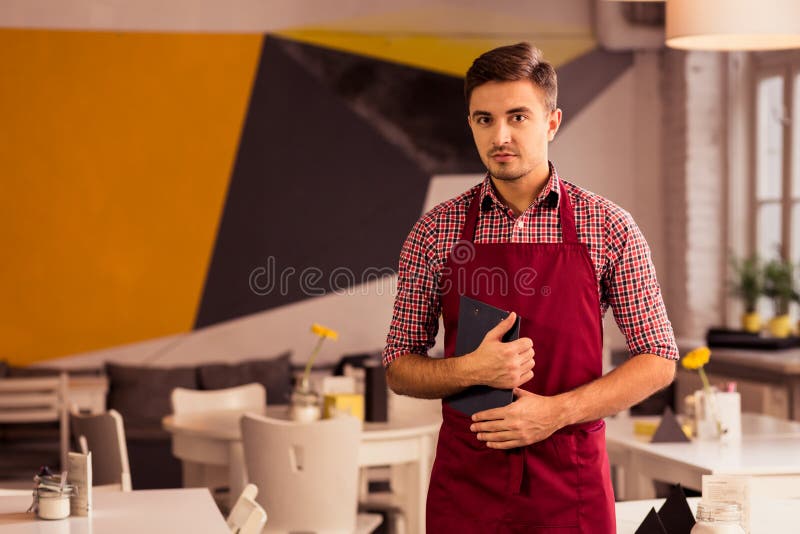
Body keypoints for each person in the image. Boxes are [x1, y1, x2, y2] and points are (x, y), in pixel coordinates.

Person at [382, 42, 678, 533]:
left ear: (552, 122)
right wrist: (466, 369)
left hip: (571, 486)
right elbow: (399, 366)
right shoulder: (434, 232)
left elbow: (658, 358)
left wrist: (557, 413)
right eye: (484, 119)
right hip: (466, 488)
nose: (500, 135)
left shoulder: (608, 226)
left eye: (518, 117)